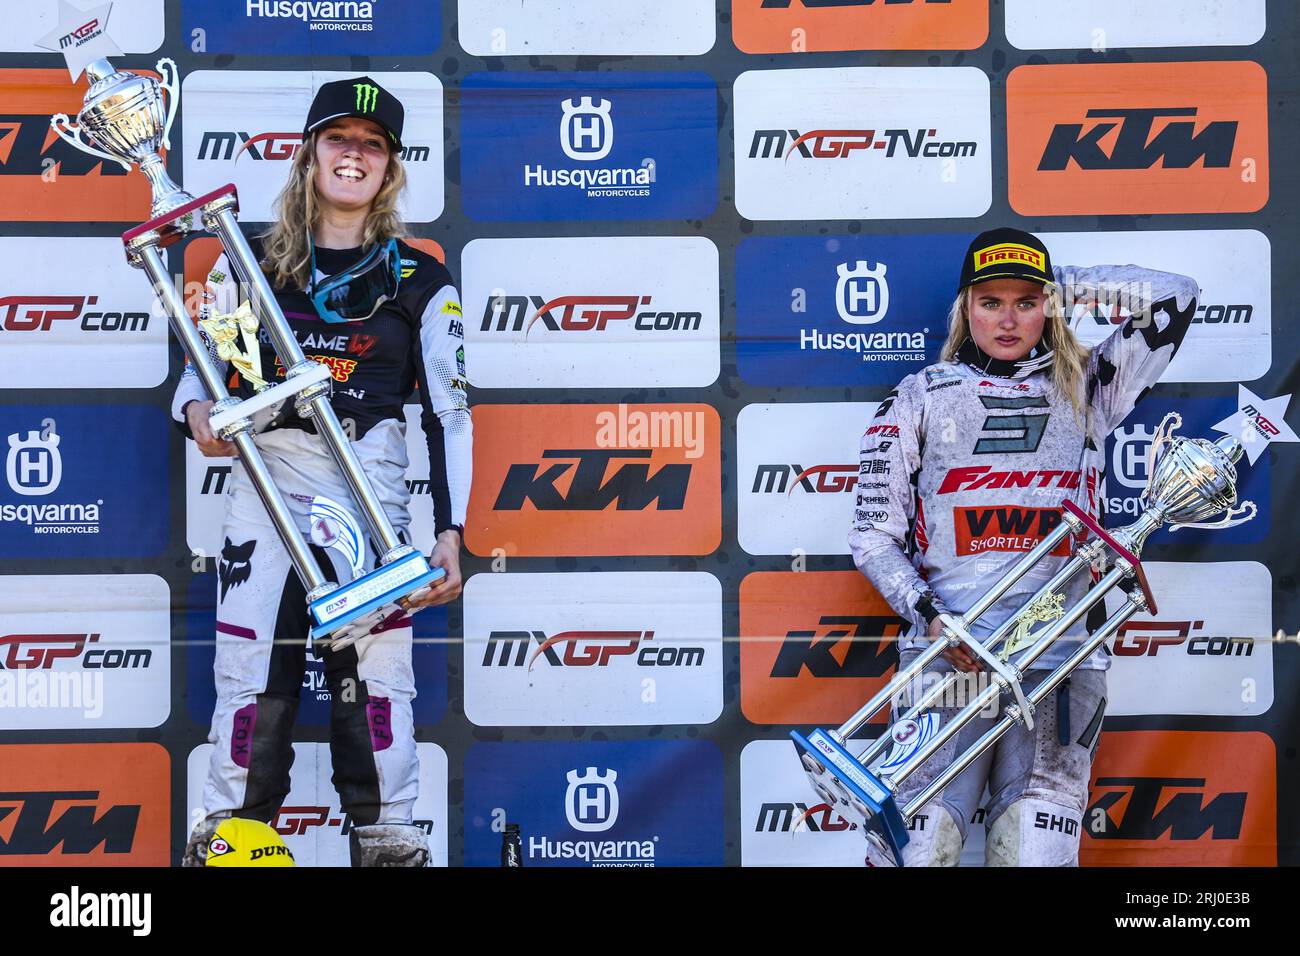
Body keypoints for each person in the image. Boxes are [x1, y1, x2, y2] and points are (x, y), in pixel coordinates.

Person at [174, 76, 470, 867]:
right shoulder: (252, 259)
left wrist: (450, 531)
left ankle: (387, 840)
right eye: (339, 139)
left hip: (369, 495)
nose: (354, 155)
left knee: (376, 677)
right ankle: (233, 838)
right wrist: (197, 412)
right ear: (310, 155)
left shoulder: (423, 281)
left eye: (372, 146)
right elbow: (202, 374)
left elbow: (450, 412)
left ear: (391, 169)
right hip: (267, 489)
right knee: (251, 668)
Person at [849, 227, 1199, 866]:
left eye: (1026, 301)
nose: (1008, 319)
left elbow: (1177, 297)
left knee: (1030, 853)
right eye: (990, 301)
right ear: (965, 309)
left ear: (1051, 307)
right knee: (917, 851)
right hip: (947, 662)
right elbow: (872, 534)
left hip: (1061, 663)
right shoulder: (919, 395)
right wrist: (931, 617)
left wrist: (1063, 282)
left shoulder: (1091, 386)